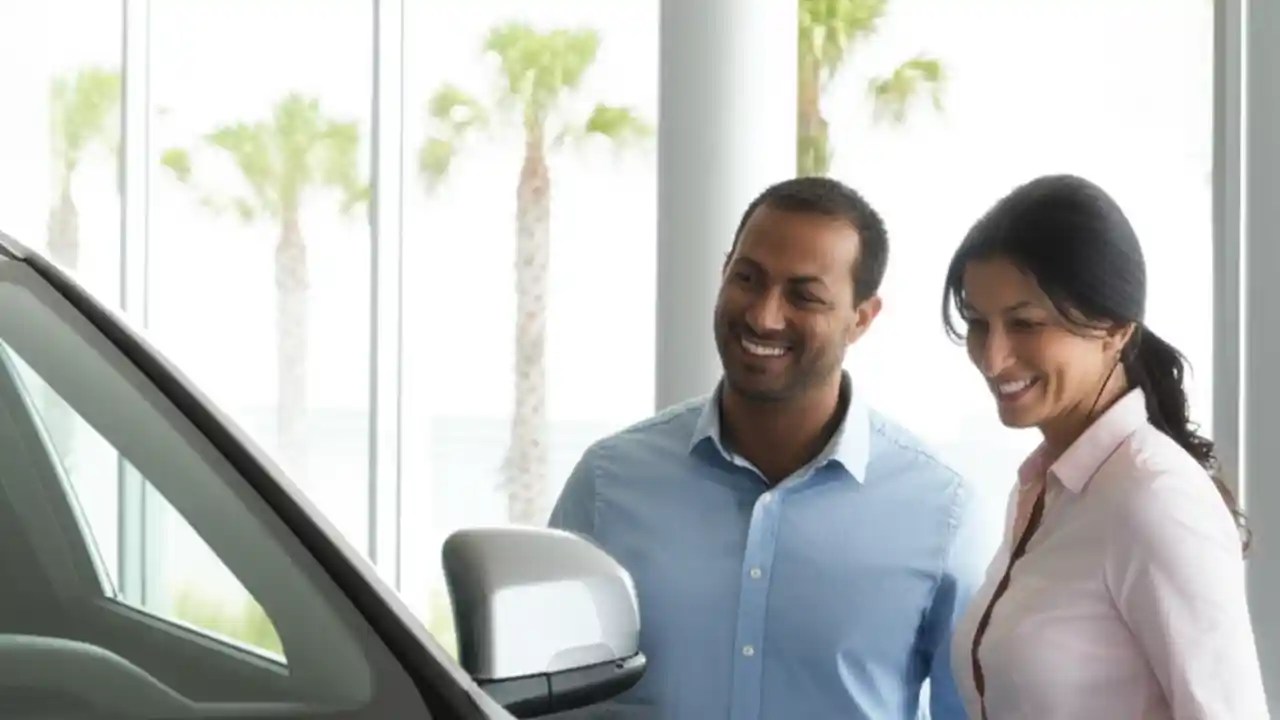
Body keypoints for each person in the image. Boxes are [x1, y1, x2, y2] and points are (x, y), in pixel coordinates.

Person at [548, 176, 986, 719]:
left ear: (861, 318)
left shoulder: (941, 514)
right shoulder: (608, 484)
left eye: (804, 296)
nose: (763, 315)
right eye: (747, 279)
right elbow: (541, 698)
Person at [942, 174, 1269, 719]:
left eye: (1025, 323)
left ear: (1115, 329)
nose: (993, 358)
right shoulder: (1042, 489)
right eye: (978, 323)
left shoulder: (1153, 496)